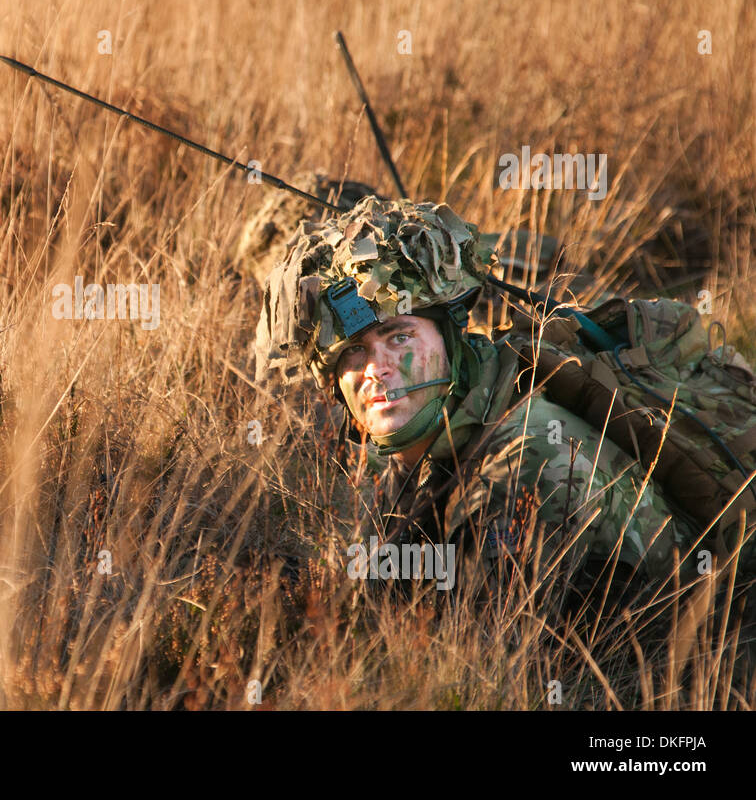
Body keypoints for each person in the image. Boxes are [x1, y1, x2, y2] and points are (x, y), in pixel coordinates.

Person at [253, 195, 699, 598]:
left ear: (450, 340)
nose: (376, 368)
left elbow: (488, 660)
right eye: (353, 351)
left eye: (400, 338)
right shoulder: (420, 439)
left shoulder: (528, 463)